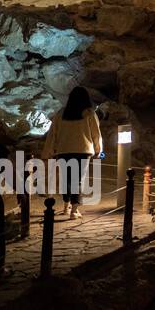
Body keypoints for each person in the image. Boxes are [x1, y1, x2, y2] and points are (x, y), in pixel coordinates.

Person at [42, 86, 103, 219]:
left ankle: (66, 207)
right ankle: (74, 211)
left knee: (66, 179)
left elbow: (53, 134)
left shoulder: (61, 114)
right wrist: (98, 150)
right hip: (82, 151)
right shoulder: (89, 114)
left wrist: (47, 152)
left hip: (64, 151)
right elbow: (96, 134)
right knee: (78, 180)